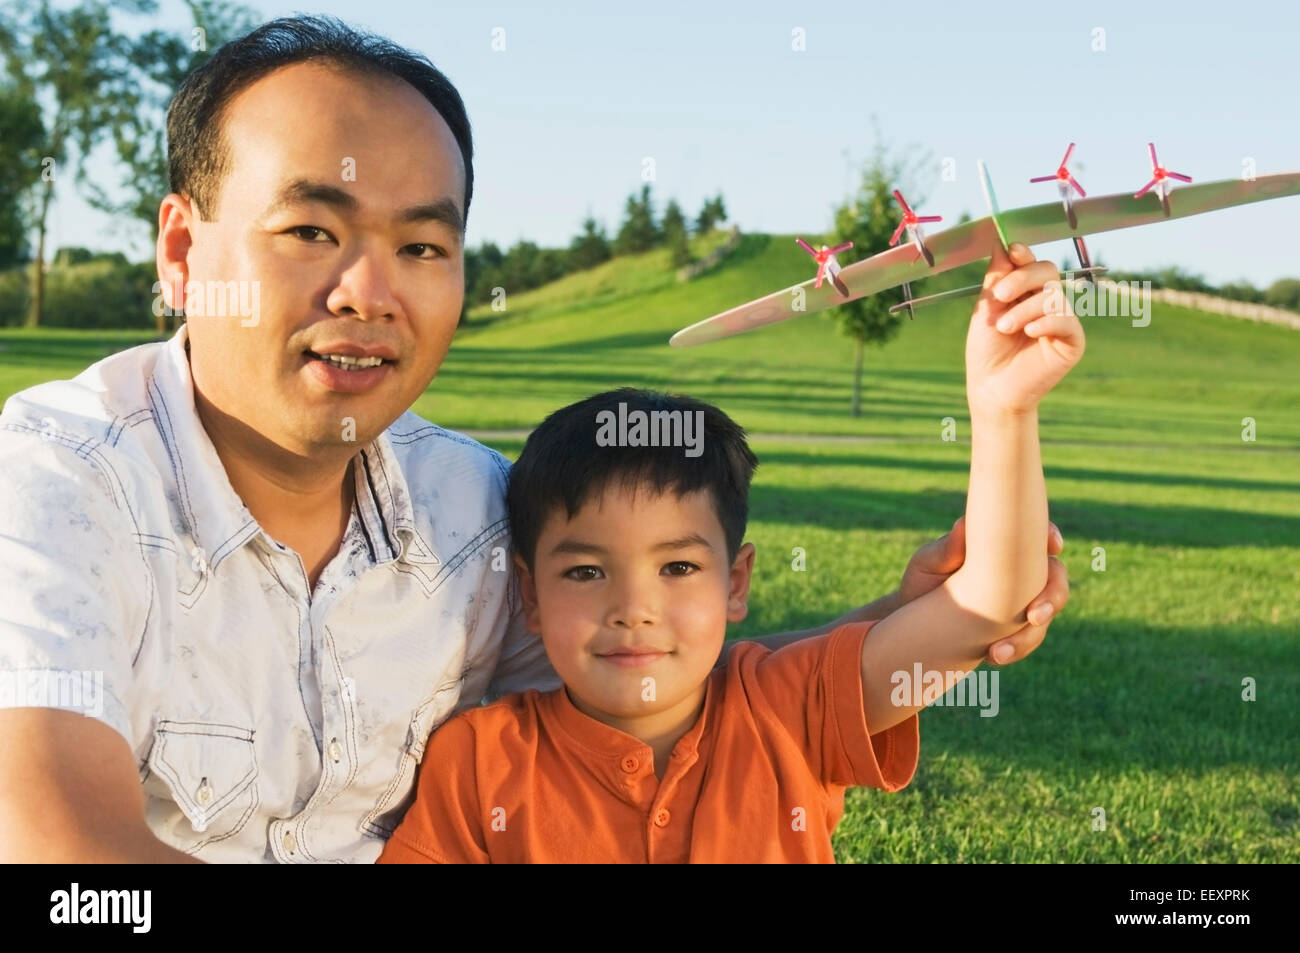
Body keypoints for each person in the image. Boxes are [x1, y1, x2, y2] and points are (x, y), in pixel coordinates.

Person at [0, 15, 1068, 863]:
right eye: (311, 231)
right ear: (184, 251)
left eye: (422, 244)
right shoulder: (64, 479)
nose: (368, 291)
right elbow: (62, 856)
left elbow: (641, 673)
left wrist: (902, 618)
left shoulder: (470, 505)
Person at [378, 244, 1084, 862]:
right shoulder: (479, 760)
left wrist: (1004, 411)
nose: (633, 610)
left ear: (735, 580)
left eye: (678, 566)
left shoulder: (788, 705)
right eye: (587, 571)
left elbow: (991, 603)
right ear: (529, 594)